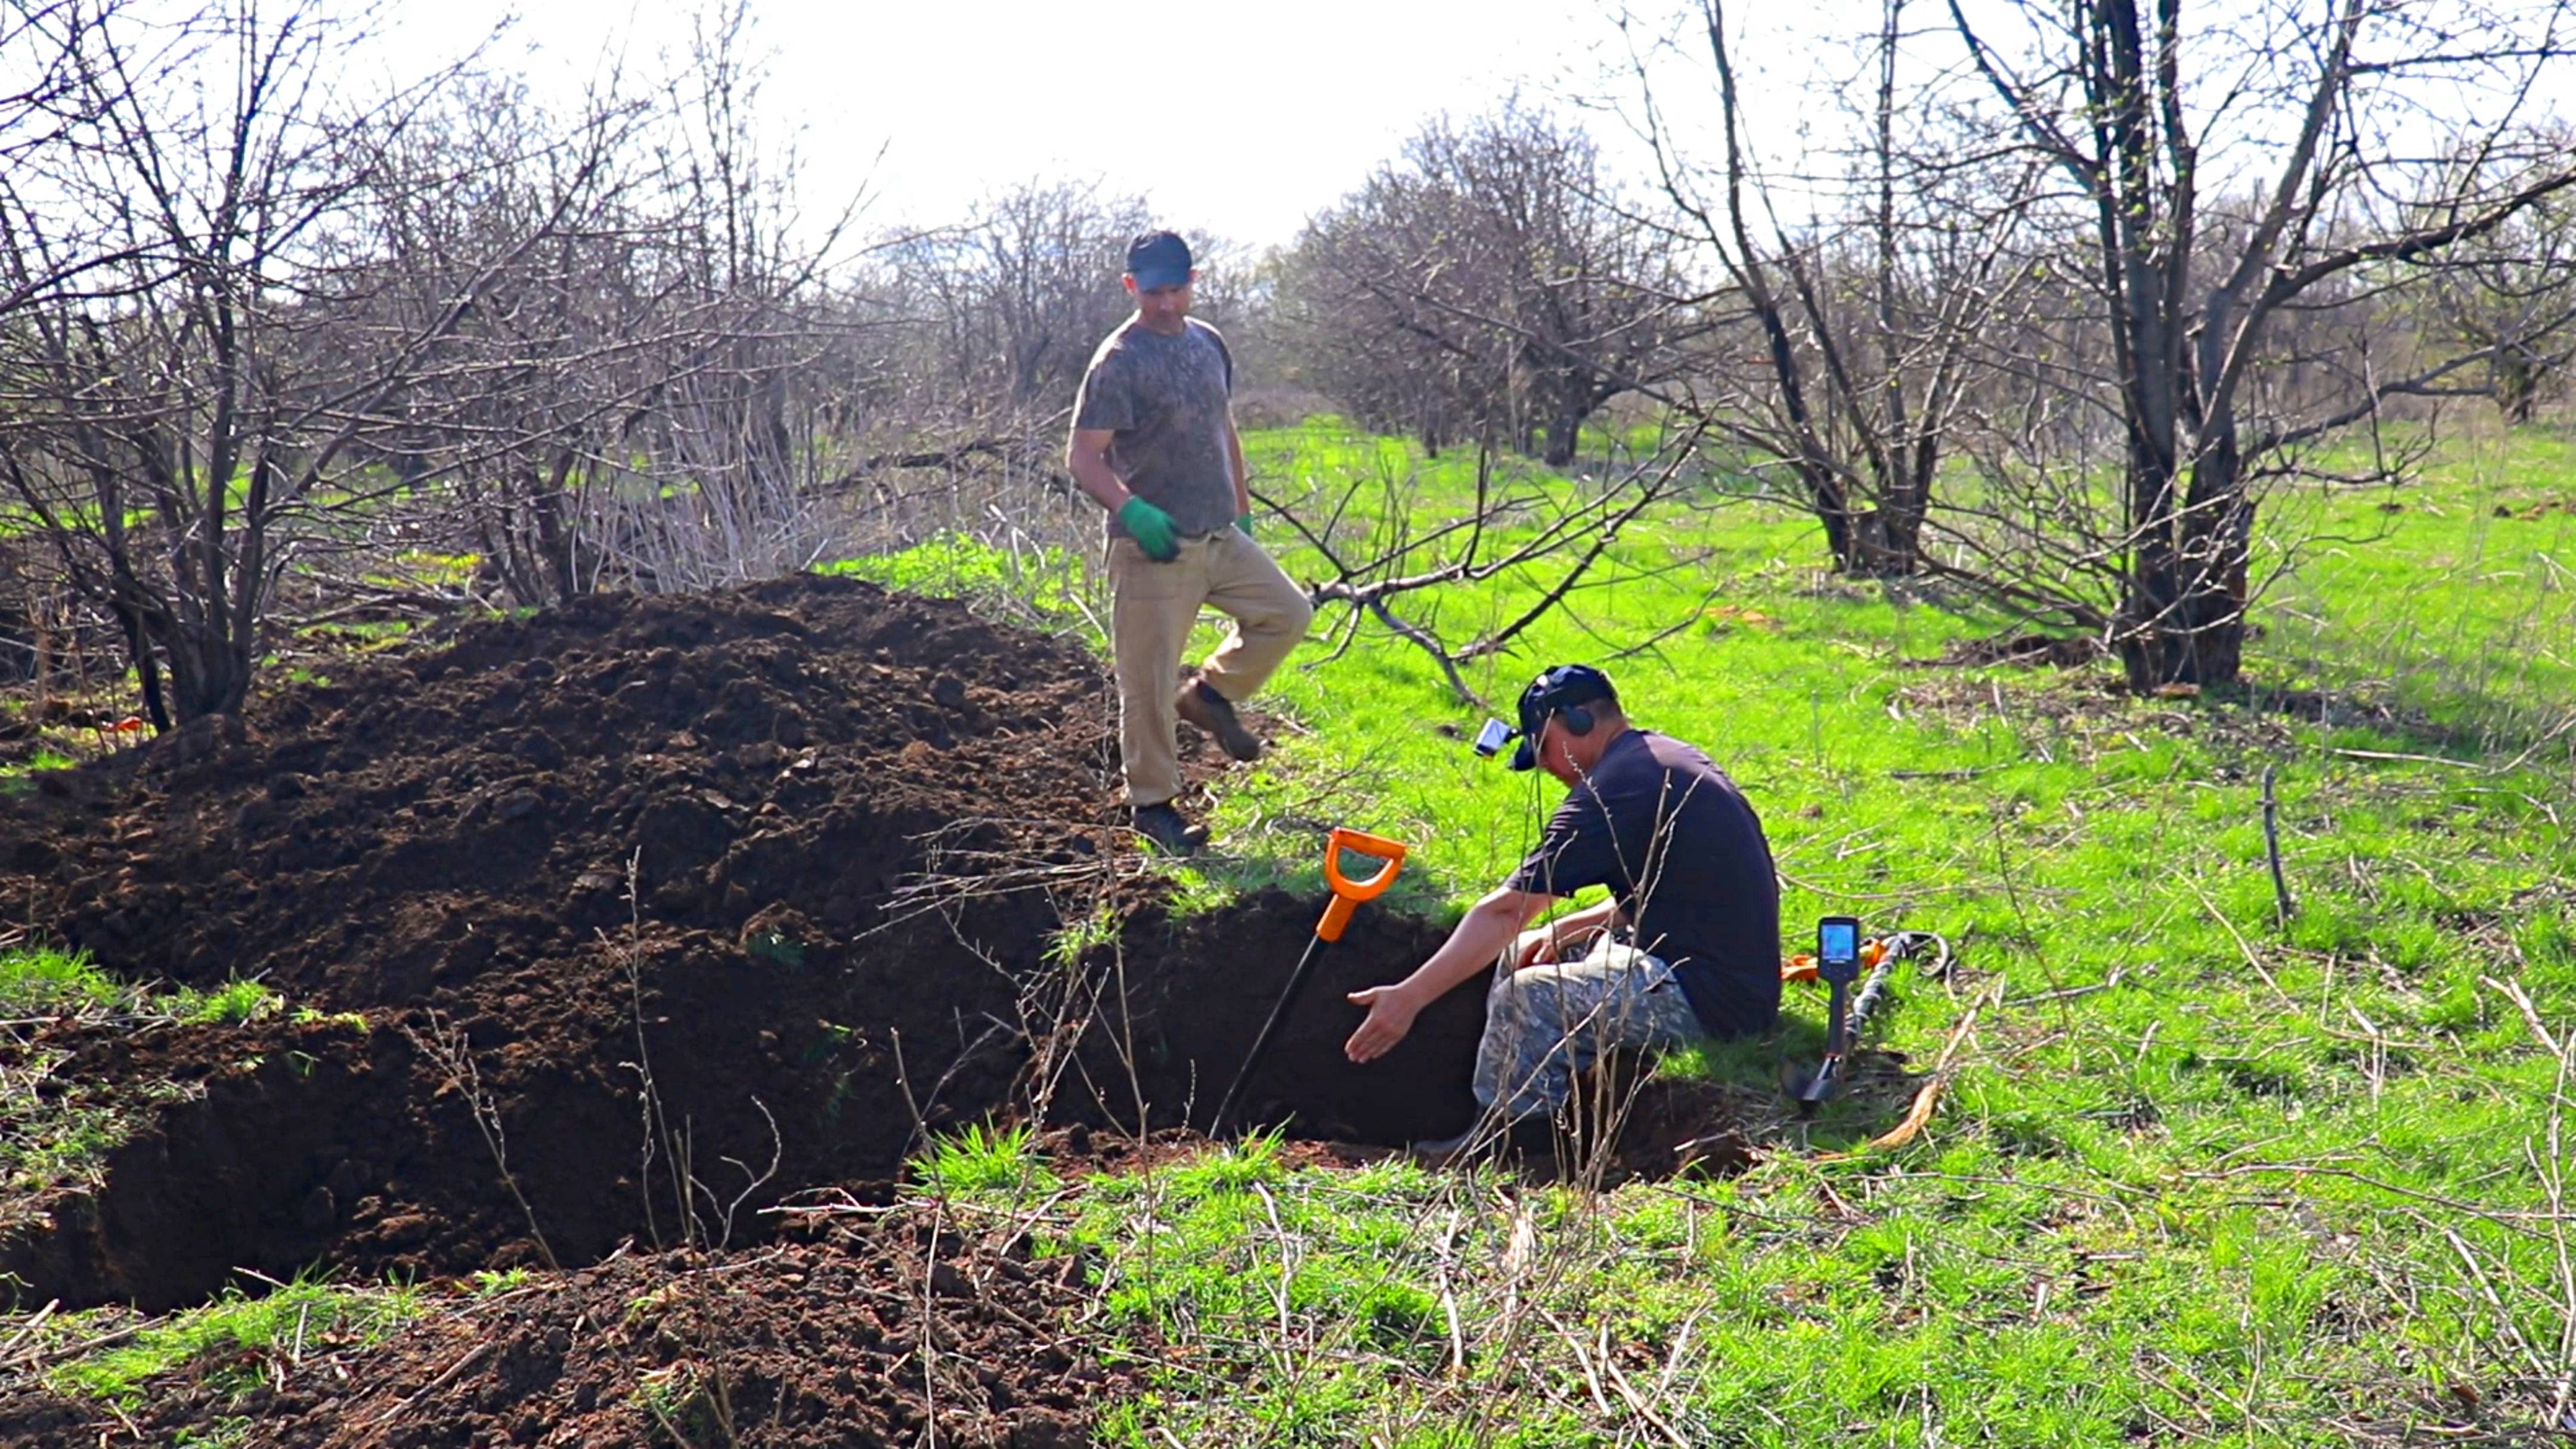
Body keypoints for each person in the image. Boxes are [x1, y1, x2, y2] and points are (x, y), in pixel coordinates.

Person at [1343, 664, 1781, 1151]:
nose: (1549, 768)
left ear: (1574, 723)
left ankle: (1510, 1144)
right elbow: (1677, 885)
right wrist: (1571, 926)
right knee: (1525, 953)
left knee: (1526, 997)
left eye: (1545, 748)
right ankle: (1528, 1098)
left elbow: (1506, 913)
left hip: (1714, 997)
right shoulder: (1658, 759)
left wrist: (1409, 997)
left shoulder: (1610, 792)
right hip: (1706, 963)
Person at [1067, 230, 1314, 856]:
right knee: (1146, 685)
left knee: (1288, 614)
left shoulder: (1209, 343)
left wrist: (1242, 507)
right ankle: (1153, 808)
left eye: (1177, 289)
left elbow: (1221, 425)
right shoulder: (1118, 361)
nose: (1168, 304)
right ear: (1132, 288)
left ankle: (1210, 695)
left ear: (1193, 281)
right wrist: (1131, 508)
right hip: (1153, 546)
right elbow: (1083, 458)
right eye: (1154, 293)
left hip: (1219, 534)